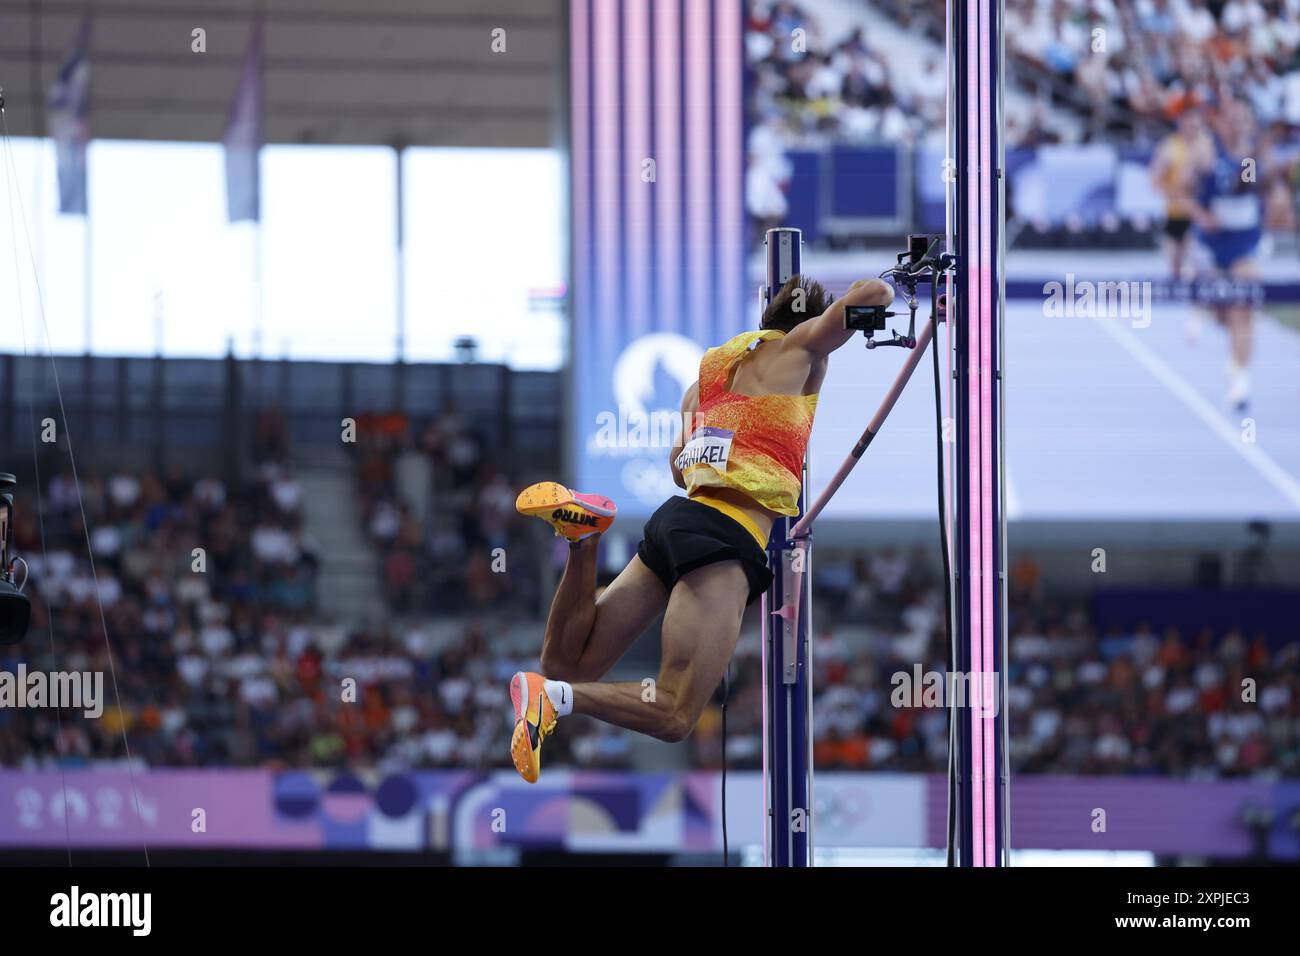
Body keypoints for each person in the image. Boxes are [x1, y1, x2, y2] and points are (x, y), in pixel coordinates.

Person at [507, 273, 894, 782]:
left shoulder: (708, 376)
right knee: (673, 712)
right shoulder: (800, 347)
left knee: (566, 664)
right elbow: (875, 297)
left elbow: (677, 463)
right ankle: (552, 700)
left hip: (677, 521)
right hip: (724, 541)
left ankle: (584, 542)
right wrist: (888, 284)